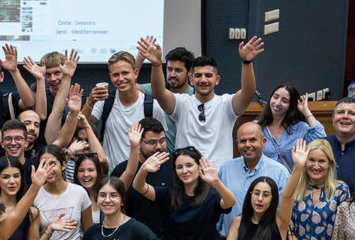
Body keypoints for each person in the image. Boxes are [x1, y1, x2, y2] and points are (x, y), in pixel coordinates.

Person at [146, 35, 263, 164]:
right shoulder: (181, 103)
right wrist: (156, 65)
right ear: (191, 79)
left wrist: (247, 62)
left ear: (217, 80)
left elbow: (248, 92)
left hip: (218, 177)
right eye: (198, 75)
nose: (203, 80)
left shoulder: (226, 104)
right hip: (186, 175)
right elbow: (159, 92)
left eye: (208, 75)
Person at [90, 51, 167, 169]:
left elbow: (160, 143)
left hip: (142, 176)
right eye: (116, 75)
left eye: (125, 73)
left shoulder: (152, 105)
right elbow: (84, 125)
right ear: (111, 77)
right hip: (112, 178)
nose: (121, 79)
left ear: (135, 73)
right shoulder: (104, 101)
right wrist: (90, 101)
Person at [30, 145, 93, 240]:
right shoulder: (34, 195)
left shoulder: (79, 192)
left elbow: (89, 234)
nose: (49, 169)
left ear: (63, 165)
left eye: (53, 163)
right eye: (43, 164)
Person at [255, 84, 325, 170]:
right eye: (275, 97)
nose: (277, 103)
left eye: (284, 101)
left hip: (291, 181)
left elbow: (321, 139)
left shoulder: (299, 128)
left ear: (290, 106)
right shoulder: (257, 127)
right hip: (263, 181)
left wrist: (306, 110)